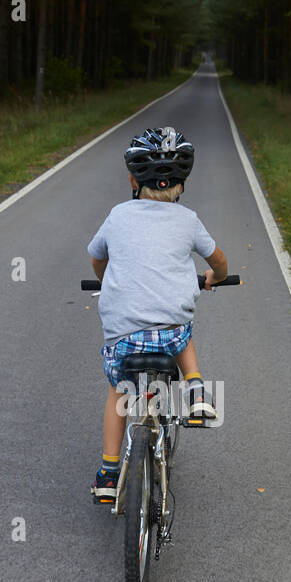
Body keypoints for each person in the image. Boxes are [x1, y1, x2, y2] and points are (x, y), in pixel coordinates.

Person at [87, 126, 228, 505]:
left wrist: (108, 279)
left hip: (123, 339)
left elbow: (98, 256)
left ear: (133, 180)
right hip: (168, 336)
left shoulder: (117, 216)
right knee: (182, 332)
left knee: (119, 392)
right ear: (182, 184)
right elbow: (218, 260)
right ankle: (197, 390)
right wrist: (216, 277)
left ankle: (108, 470)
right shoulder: (188, 220)